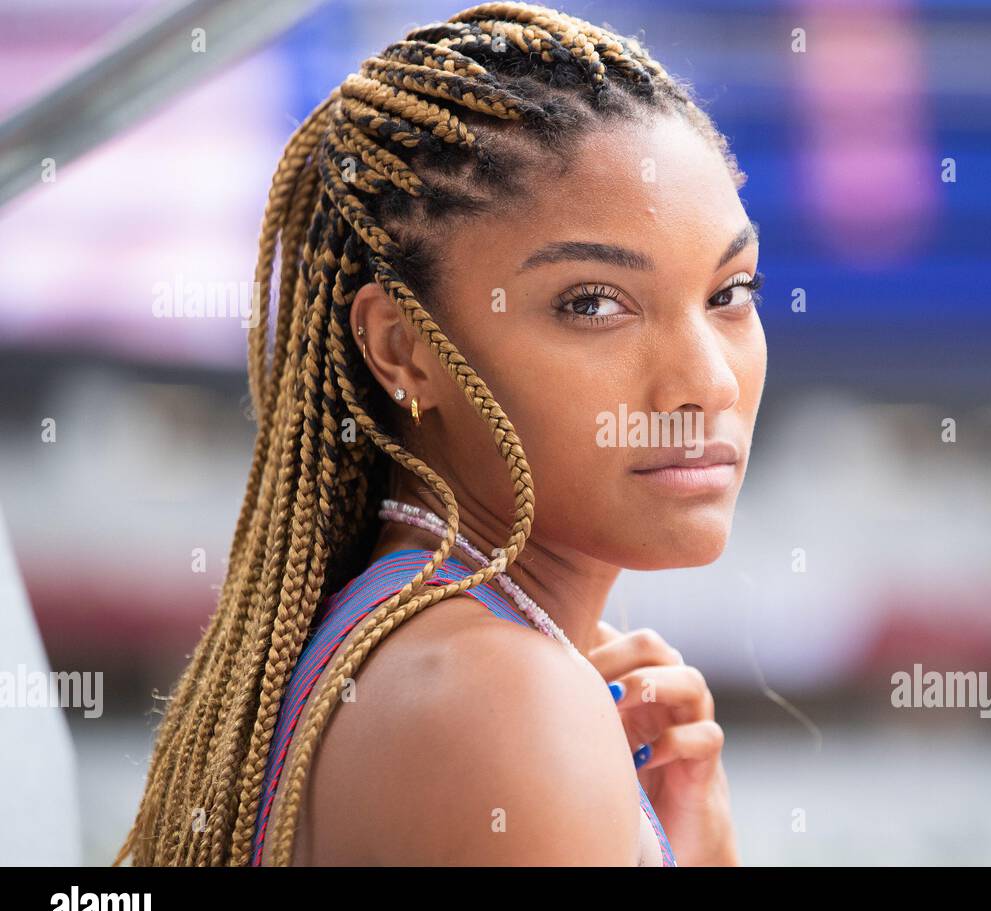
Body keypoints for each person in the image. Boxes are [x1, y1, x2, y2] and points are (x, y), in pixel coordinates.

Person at [117, 1, 758, 866]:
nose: (710, 384)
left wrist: (691, 837)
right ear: (404, 349)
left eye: (730, 294)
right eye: (593, 304)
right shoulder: (500, 697)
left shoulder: (428, 655)